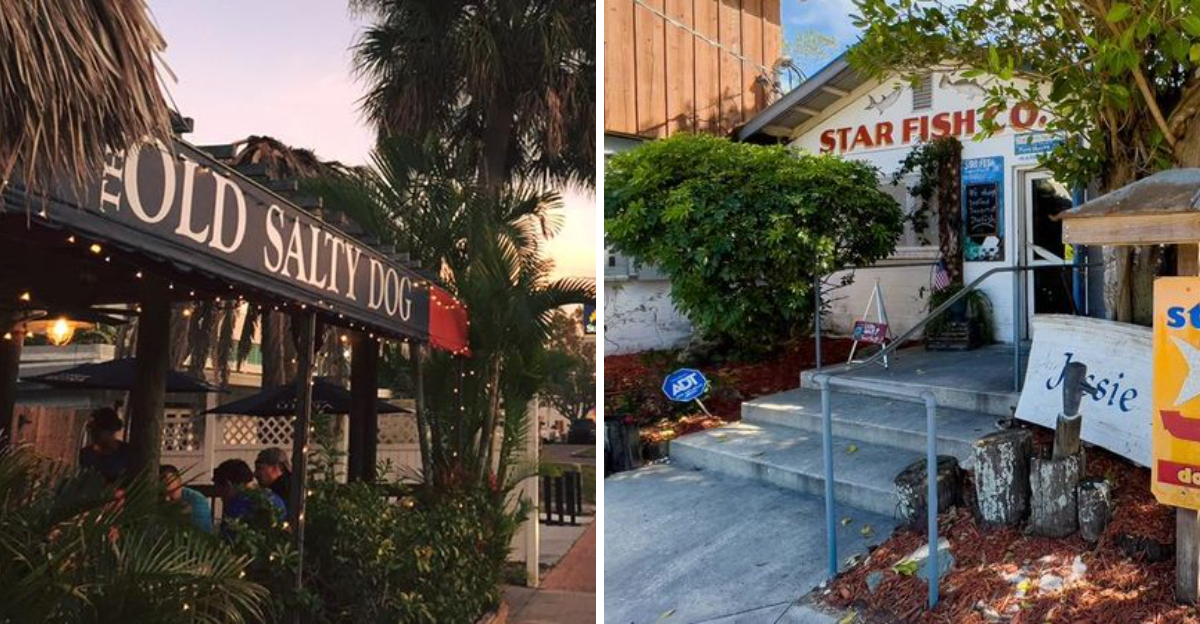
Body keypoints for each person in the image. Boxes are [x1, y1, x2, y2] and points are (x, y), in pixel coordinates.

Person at [213, 459, 286, 539]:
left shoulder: (235, 507)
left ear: (228, 485)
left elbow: (226, 541)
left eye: (220, 490)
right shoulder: (275, 499)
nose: (221, 497)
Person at [78, 407, 131, 484]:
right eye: (93, 431)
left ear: (110, 431)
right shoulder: (86, 456)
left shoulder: (126, 453)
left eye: (98, 431)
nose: (94, 435)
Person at [159, 464, 213, 534]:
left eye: (171, 493)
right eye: (162, 494)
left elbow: (201, 532)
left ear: (179, 482)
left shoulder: (197, 501)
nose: (167, 499)